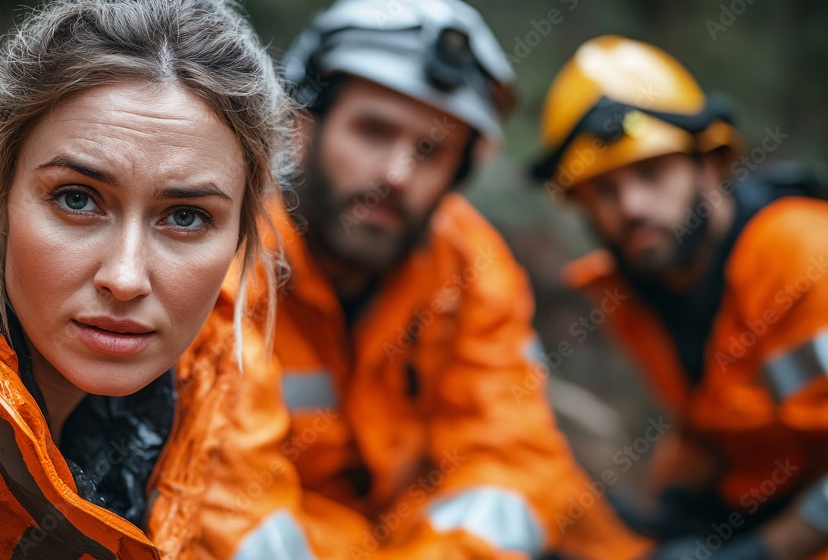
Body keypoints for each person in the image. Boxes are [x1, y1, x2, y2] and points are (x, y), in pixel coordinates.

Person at [0, 0, 296, 557]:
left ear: (242, 235)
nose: (124, 279)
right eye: (77, 199)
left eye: (186, 216)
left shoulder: (217, 385)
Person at [193, 1, 652, 558]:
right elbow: (228, 496)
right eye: (373, 130)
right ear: (302, 126)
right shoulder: (225, 253)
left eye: (430, 150)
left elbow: (516, 458)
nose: (396, 174)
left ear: (457, 176)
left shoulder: (472, 266)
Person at [533, 35, 828, 560]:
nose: (632, 206)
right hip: (746, 503)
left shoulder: (806, 261)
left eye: (651, 173)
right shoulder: (633, 285)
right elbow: (711, 420)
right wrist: (673, 507)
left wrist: (765, 550)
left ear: (708, 162)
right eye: (604, 189)